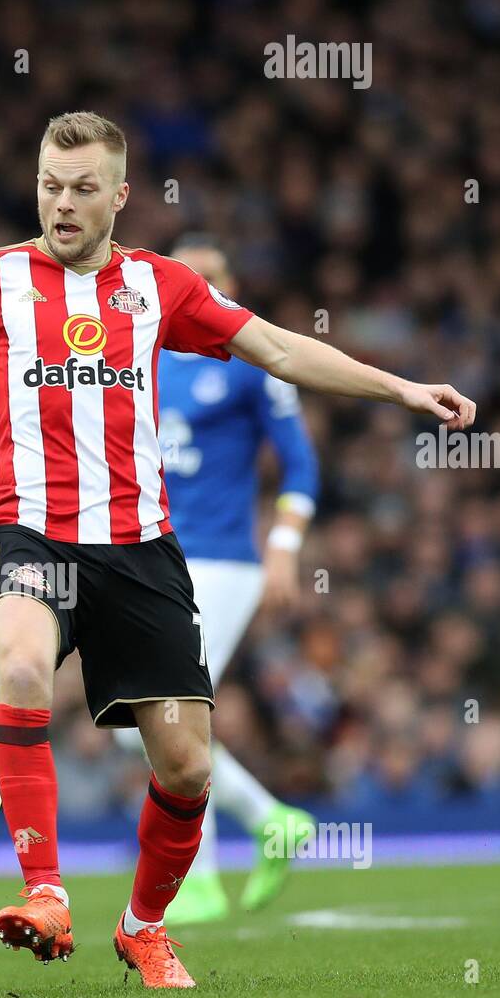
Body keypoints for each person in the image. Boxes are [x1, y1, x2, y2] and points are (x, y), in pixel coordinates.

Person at [0, 111, 476, 990]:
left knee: (186, 764)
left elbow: (279, 350)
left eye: (82, 189)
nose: (62, 205)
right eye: (49, 186)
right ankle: (46, 893)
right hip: (29, 532)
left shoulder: (159, 285)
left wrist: (401, 387)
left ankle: (144, 927)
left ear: (120, 195)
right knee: (22, 667)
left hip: (141, 547)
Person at [156, 234, 319, 924]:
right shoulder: (141, 361)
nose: (198, 291)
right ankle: (271, 819)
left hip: (224, 560)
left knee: (175, 707)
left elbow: (302, 466)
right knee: (142, 719)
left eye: (211, 280)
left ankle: (197, 877)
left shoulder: (253, 362)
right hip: (152, 558)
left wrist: (283, 547)